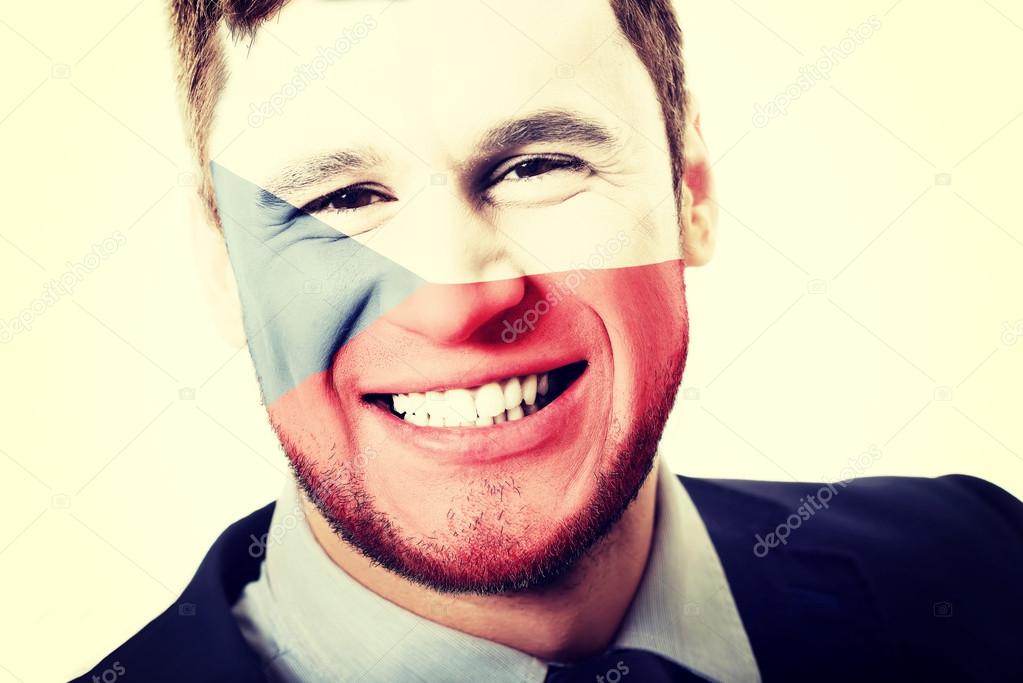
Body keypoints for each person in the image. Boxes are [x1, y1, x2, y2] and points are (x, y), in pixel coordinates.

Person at [72, 1, 1023, 681]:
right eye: (341, 199)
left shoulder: (982, 566)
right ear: (223, 268)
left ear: (690, 192)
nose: (453, 302)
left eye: (536, 167)